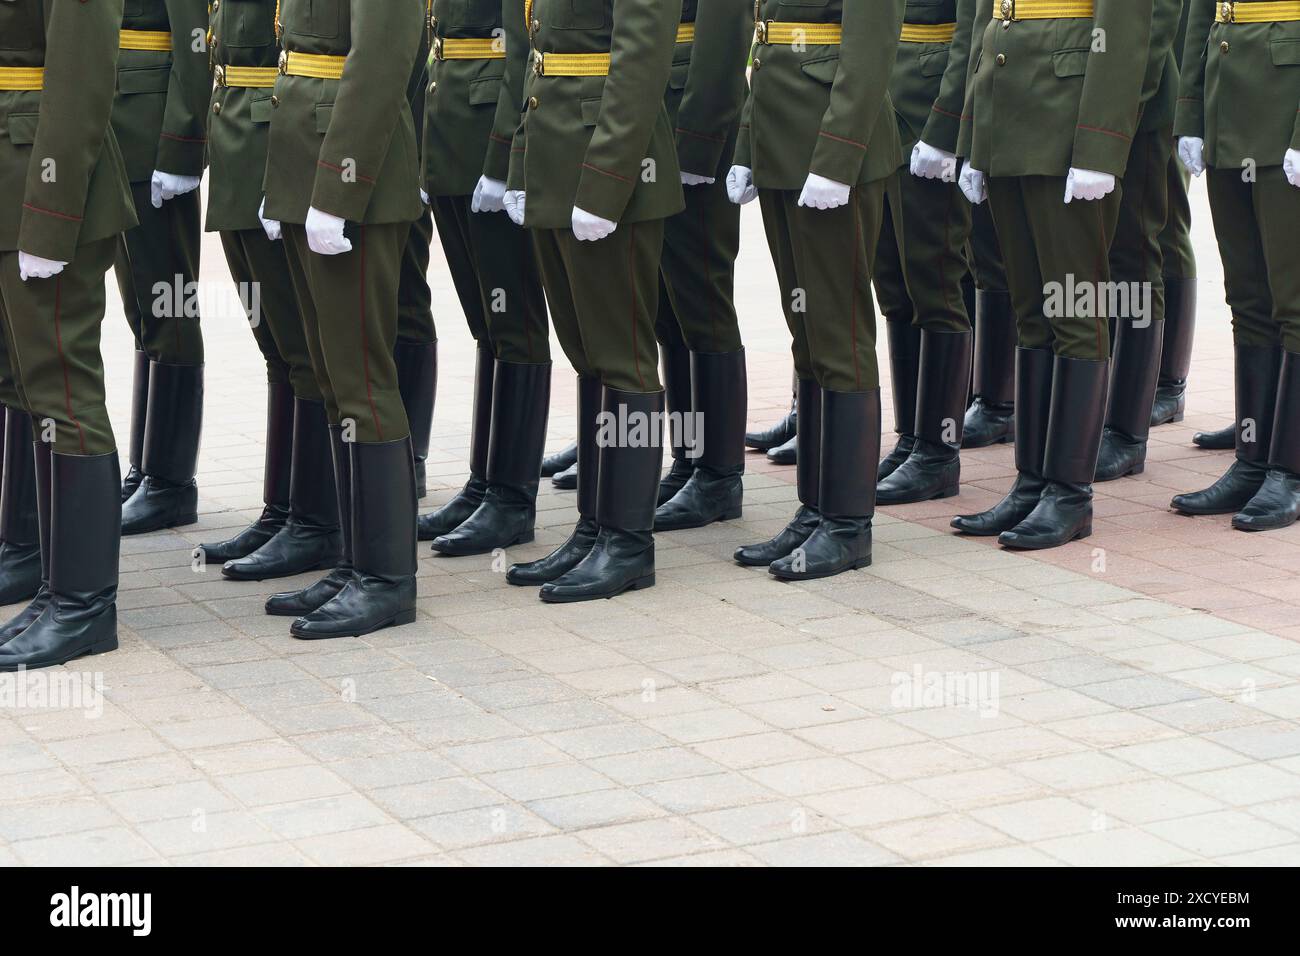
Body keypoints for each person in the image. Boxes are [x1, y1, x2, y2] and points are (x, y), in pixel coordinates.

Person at [952, 0, 1153, 550]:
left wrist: (1099, 147)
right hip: (1006, 114)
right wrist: (972, 135)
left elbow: (1125, 28)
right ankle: (1032, 481)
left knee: (1074, 311)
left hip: (1067, 121)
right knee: (1032, 315)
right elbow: (990, 18)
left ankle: (1069, 494)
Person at [503, 0, 683, 602]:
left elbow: (641, 56)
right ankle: (596, 525)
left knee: (624, 359)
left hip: (608, 159)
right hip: (556, 153)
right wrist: (522, 165)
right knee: (587, 354)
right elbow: (539, 55)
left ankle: (629, 544)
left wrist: (608, 179)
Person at [261, 0, 424, 637]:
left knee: (362, 380)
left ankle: (387, 579)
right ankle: (356, 561)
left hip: (351, 175)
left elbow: (380, 59)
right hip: (307, 160)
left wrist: (337, 190)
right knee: (332, 379)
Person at [730, 0, 904, 580]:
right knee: (806, 335)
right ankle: (815, 510)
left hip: (831, 144)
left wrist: (838, 158)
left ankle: (849, 525)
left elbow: (870, 46)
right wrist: (747, 143)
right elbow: (768, 39)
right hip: (782, 137)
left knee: (840, 335)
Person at [0, 0, 137, 670]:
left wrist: (51, 216)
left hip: (40, 182)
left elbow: (81, 74)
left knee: (62, 389)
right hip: (9, 170)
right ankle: (46, 576)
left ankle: (84, 605)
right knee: (23, 381)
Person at [198, 0, 342, 582]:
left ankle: (315, 522)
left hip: (275, 133)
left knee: (303, 347)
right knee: (277, 347)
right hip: (240, 128)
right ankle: (282, 508)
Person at [418, 0, 553, 557]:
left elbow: (522, 43)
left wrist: (502, 157)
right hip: (450, 118)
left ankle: (512, 499)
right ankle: (485, 480)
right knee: (486, 324)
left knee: (514, 321)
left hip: (489, 122)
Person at [1170, 0, 1300, 531]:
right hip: (1228, 106)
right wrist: (1191, 112)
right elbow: (1202, 13)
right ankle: (1252, 459)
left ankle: (1288, 470)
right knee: (1248, 302)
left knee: (1294, 302)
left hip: (1284, 107)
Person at [111, 0, 212, 535]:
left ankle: (172, 484)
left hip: (152, 131)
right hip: (113, 122)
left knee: (168, 304)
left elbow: (195, 39)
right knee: (138, 307)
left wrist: (181, 147)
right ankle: (145, 466)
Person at [652, 0, 753, 532]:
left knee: (702, 296)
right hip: (655, 111)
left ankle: (719, 475)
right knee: (667, 304)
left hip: (694, 116)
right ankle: (688, 457)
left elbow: (723, 35)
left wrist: (700, 143)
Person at [873, 1, 974, 506]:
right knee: (893, 281)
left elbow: (972, 31)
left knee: (934, 278)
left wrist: (947, 125)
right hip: (886, 99)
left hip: (931, 102)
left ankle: (938, 451)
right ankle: (911, 436)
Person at [1094, 0, 1186, 481]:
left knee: (1133, 258)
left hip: (1135, 111)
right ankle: (1093, 416)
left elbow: (1156, 22)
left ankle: (1128, 433)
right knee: (1091, 265)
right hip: (1074, 106)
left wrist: (1118, 111)